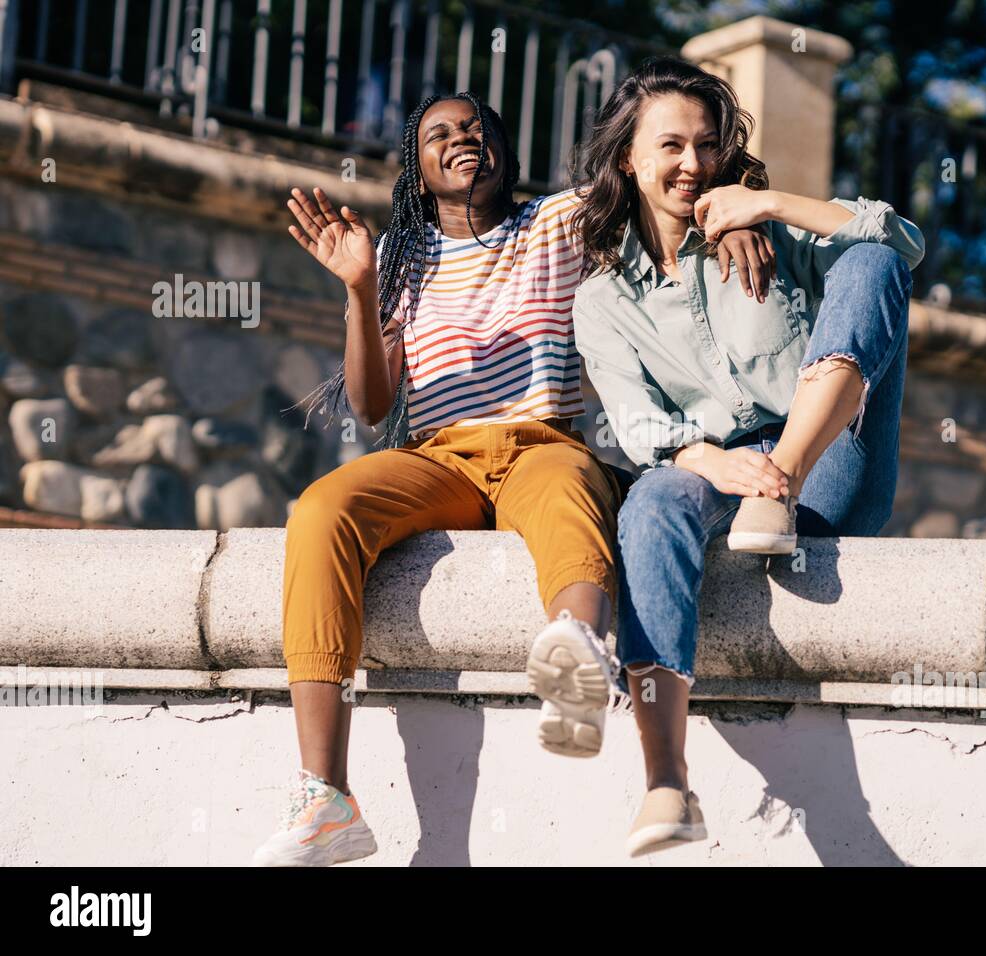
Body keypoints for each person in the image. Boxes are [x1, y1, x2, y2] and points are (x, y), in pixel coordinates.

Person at [252, 90, 776, 866]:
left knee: (570, 493)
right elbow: (370, 405)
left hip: (542, 443)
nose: (464, 139)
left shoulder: (557, 222)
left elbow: (662, 165)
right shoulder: (400, 257)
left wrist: (739, 216)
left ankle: (578, 648)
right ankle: (325, 796)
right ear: (417, 166)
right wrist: (359, 289)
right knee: (323, 507)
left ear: (504, 152)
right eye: (441, 134)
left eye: (479, 128)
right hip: (441, 458)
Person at [569, 57, 924, 857]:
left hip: (828, 467)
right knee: (653, 499)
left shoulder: (773, 232)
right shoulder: (604, 300)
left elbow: (901, 242)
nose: (690, 164)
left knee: (869, 260)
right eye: (669, 146)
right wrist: (716, 465)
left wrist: (767, 202)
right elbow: (635, 423)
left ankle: (787, 473)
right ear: (628, 157)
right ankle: (666, 778)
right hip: (715, 472)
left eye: (706, 146)